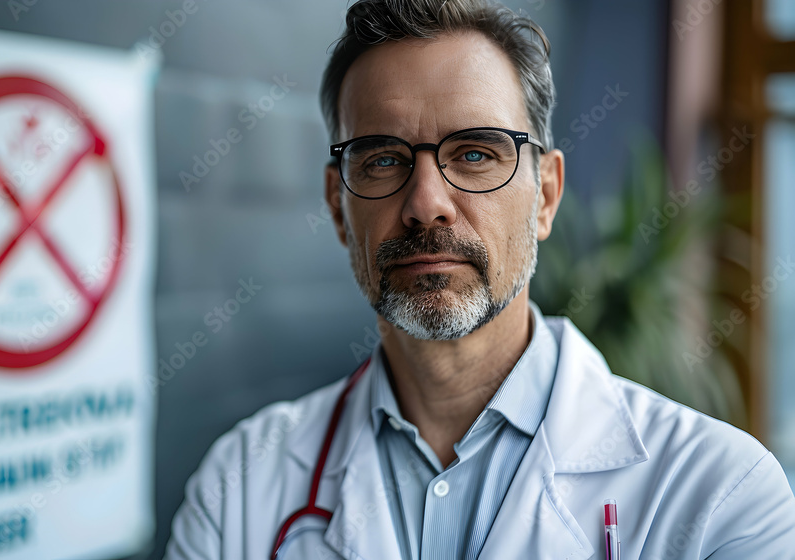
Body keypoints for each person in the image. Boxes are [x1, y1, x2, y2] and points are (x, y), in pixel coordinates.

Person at [164, 0, 795, 558]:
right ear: (337, 205)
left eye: (474, 154)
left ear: (545, 195)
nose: (425, 204)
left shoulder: (722, 495)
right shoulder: (238, 485)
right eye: (383, 160)